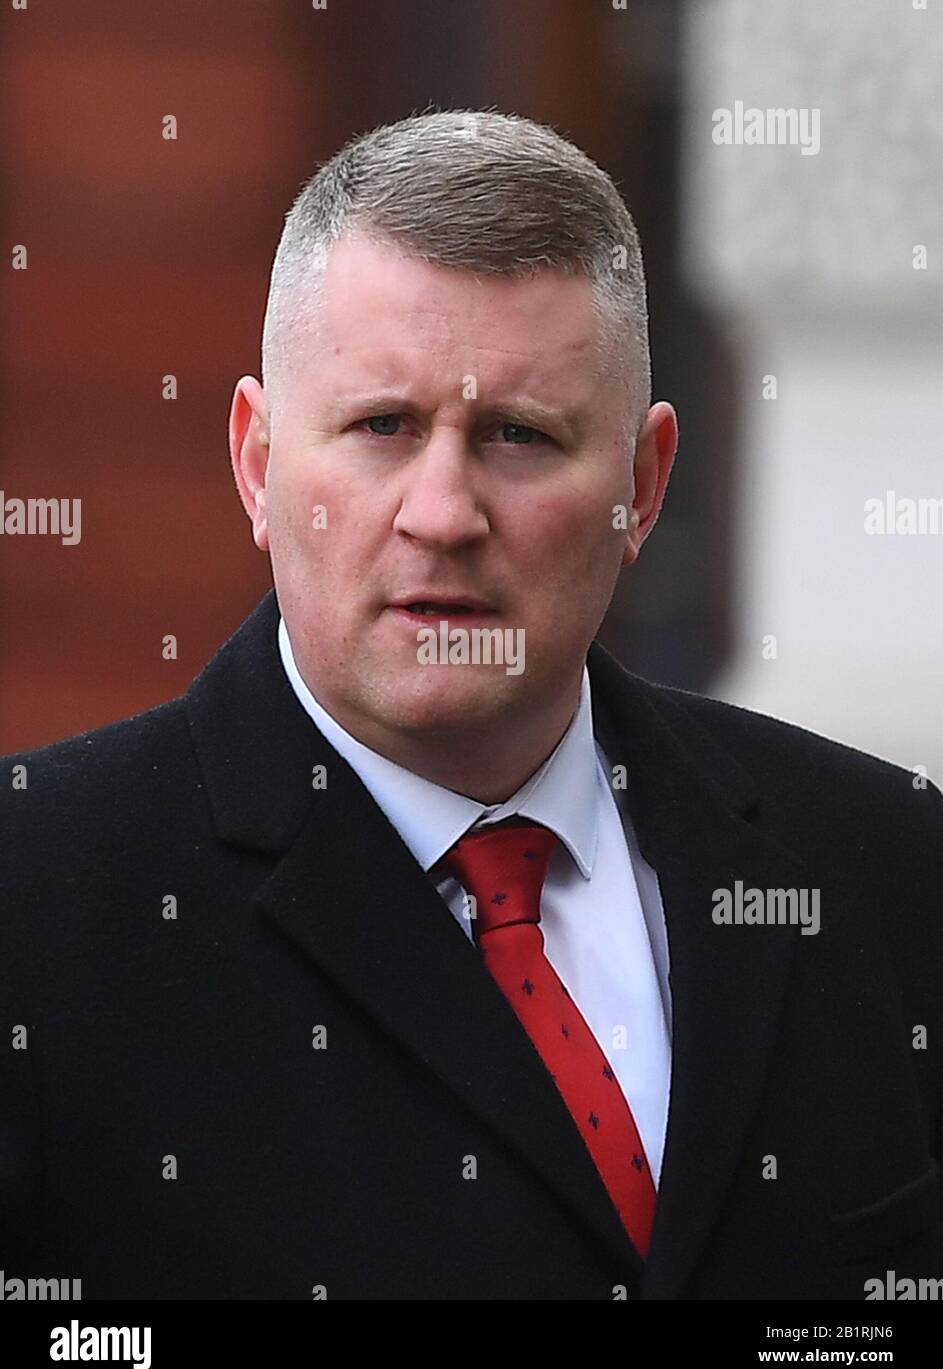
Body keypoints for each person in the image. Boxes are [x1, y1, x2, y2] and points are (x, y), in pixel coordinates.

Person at [1, 109, 940, 1302]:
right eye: (383, 426)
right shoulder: (36, 913)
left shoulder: (882, 867)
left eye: (518, 436)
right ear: (257, 459)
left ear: (643, 488)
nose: (443, 511)